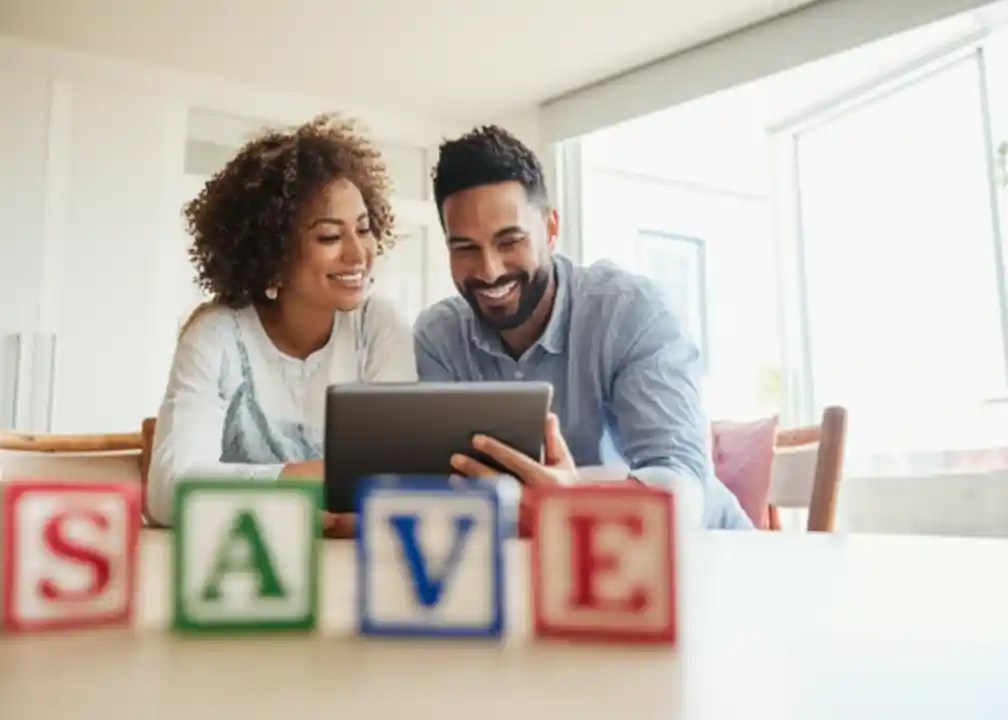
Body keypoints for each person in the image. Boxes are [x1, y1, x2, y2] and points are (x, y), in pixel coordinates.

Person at [413, 125, 751, 529]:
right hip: (550, 558)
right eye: (465, 248)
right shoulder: (438, 338)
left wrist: (573, 503)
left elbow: (683, 485)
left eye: (510, 242)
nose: (489, 270)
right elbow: (447, 486)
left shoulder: (631, 311)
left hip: (710, 550)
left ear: (551, 228)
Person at [149, 115, 416, 531]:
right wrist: (327, 489)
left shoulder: (377, 325)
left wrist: (276, 493)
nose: (358, 254)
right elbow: (170, 492)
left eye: (363, 229)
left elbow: (399, 479)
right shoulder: (216, 335)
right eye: (329, 237)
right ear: (272, 251)